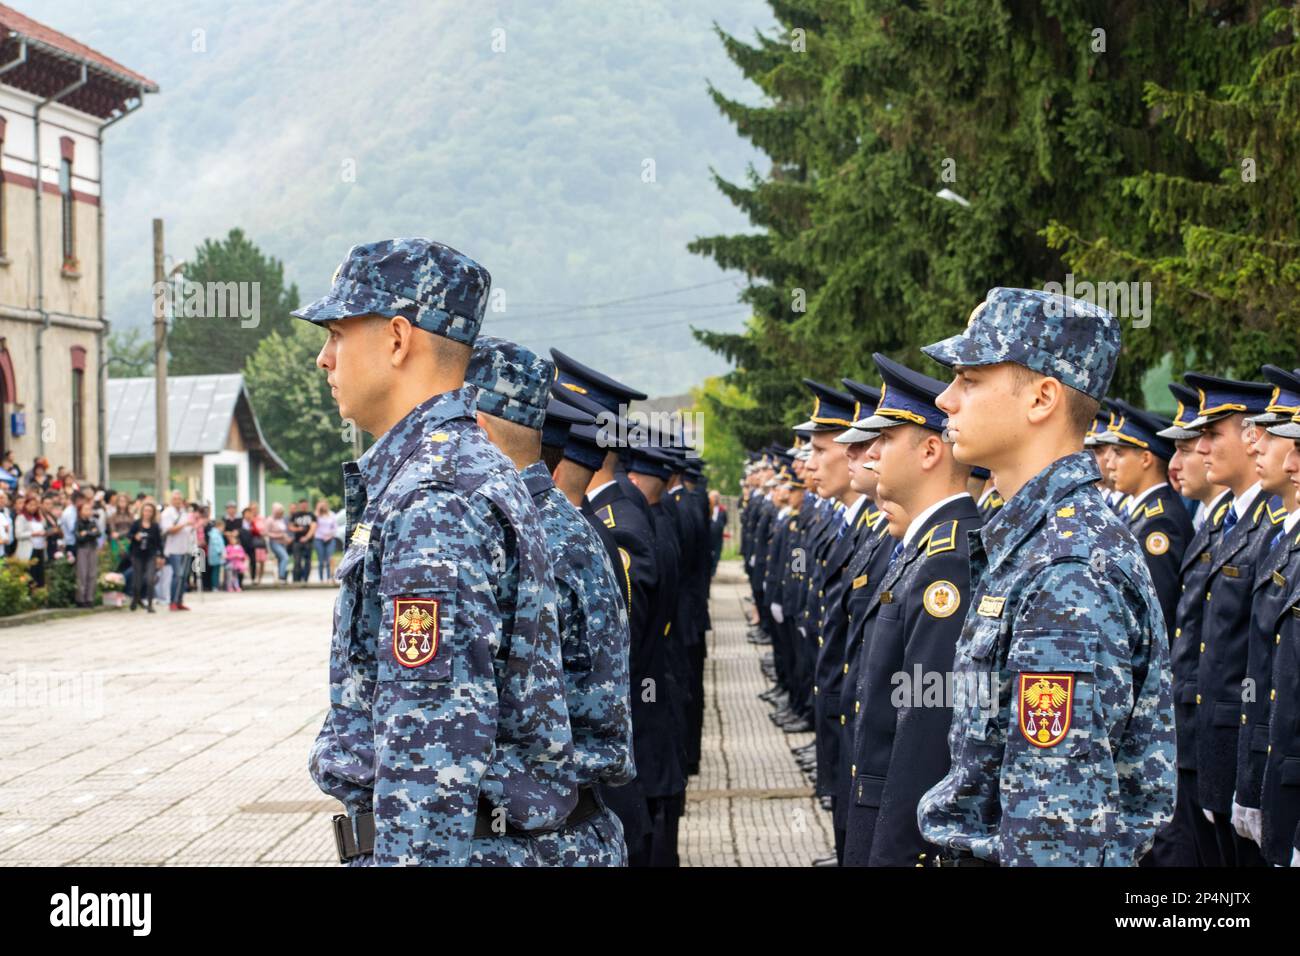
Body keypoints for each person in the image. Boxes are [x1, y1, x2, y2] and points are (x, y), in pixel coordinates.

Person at [299, 237, 575, 867]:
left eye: (338, 333)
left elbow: (433, 753)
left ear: (397, 339)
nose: (324, 358)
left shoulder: (438, 497)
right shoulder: (447, 474)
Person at [916, 286, 1175, 866]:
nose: (945, 398)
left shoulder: (1068, 570)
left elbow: (1056, 837)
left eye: (970, 379)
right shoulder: (1035, 541)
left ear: (1042, 399)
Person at [466, 335, 634, 866]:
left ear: (477, 431)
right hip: (568, 829)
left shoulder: (524, 535)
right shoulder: (561, 525)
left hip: (530, 841)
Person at [839, 353, 982, 868]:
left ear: (928, 451)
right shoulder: (925, 551)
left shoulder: (947, 563)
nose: (871, 453)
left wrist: (896, 855)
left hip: (899, 834)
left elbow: (925, 737)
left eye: (885, 439)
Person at [1185, 371, 1283, 867]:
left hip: (1250, 750)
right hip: (1216, 744)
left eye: (1211, 435)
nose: (1201, 449)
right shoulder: (1237, 522)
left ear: (1251, 439)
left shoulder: (1272, 528)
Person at [160, 490, 195, 611]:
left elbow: (188, 528)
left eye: (179, 499)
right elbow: (169, 530)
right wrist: (185, 524)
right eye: (175, 499)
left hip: (185, 548)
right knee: (177, 575)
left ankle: (180, 600)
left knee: (184, 576)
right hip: (173, 549)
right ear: (171, 500)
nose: (178, 501)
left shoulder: (184, 512)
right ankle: (172, 601)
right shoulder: (167, 513)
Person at [128, 503, 163, 612]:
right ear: (142, 511)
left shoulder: (155, 526)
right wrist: (135, 537)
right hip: (137, 554)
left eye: (150, 511)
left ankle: (150, 604)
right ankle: (135, 599)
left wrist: (160, 556)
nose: (147, 513)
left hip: (150, 555)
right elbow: (129, 535)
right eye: (145, 510)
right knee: (137, 580)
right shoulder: (136, 524)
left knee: (150, 579)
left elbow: (159, 542)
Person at [72, 499, 101, 607]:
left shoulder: (93, 522)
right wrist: (90, 533)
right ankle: (80, 599)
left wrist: (87, 533)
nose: (89, 511)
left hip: (92, 548)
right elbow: (79, 537)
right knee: (82, 574)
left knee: (92, 574)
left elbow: (98, 533)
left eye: (90, 509)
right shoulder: (78, 523)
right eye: (86, 509)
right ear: (80, 511)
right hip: (82, 549)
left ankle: (90, 598)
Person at [290, 499, 315, 582]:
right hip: (297, 541)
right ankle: (297, 580)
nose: (304, 506)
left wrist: (306, 537)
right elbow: (290, 527)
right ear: (300, 505)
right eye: (302, 504)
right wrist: (298, 529)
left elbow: (313, 527)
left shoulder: (311, 515)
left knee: (307, 561)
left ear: (307, 505)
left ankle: (305, 579)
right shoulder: (295, 515)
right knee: (297, 561)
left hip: (308, 542)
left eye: (305, 504)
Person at [265, 503, 291, 582]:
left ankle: (280, 577)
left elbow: (284, 531)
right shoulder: (270, 520)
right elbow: (265, 532)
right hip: (274, 542)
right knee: (285, 557)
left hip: (283, 543)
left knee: (281, 559)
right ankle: (282, 576)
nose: (280, 514)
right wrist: (278, 536)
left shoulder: (282, 519)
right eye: (278, 512)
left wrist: (286, 537)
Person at [312, 499, 337, 581]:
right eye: (321, 505)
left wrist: (329, 535)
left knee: (329, 558)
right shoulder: (317, 515)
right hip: (319, 539)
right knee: (321, 559)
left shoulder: (332, 514)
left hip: (330, 539)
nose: (323, 507)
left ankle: (329, 577)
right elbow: (313, 524)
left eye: (324, 505)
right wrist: (318, 509)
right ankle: (321, 579)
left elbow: (335, 528)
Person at [708, 490, 726, 577]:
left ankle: (714, 570)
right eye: (713, 497)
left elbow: (725, 520)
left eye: (716, 497)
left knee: (717, 554)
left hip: (718, 536)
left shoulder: (722, 509)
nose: (715, 499)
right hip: (709, 535)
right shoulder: (707, 507)